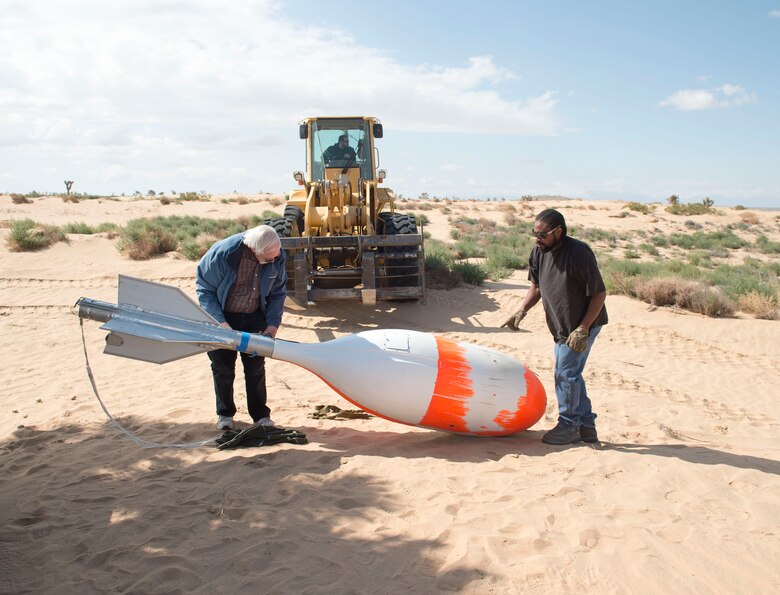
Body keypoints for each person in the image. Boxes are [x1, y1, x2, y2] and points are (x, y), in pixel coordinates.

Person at [501, 209, 608, 445]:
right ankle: (586, 426)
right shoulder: (538, 252)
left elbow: (599, 294)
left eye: (543, 235)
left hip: (583, 324)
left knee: (565, 374)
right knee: (571, 375)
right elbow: (537, 287)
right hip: (560, 326)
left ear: (559, 232)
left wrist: (583, 328)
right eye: (534, 233)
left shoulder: (579, 253)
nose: (537, 239)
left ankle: (569, 425)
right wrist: (522, 310)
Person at [196, 225, 287, 430]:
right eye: (269, 258)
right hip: (222, 317)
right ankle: (225, 415)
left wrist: (272, 324)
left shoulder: (277, 255)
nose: (274, 261)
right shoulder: (223, 253)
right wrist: (221, 323)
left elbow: (278, 292)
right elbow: (205, 289)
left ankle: (260, 416)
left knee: (255, 368)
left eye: (276, 257)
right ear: (254, 249)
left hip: (255, 317)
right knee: (222, 368)